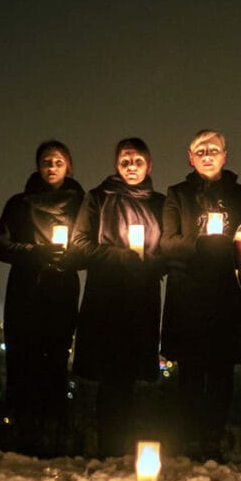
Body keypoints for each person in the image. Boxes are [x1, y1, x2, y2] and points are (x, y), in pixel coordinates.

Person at [70, 137, 166, 458]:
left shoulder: (159, 203)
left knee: (129, 379)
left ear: (149, 165)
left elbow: (168, 251)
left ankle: (121, 446)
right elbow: (80, 245)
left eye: (138, 161)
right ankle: (105, 447)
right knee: (109, 377)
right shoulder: (98, 198)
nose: (131, 167)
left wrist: (152, 262)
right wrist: (120, 256)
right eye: (125, 161)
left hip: (142, 299)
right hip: (106, 299)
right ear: (116, 165)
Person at [160, 130, 241, 463]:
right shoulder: (177, 194)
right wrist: (199, 243)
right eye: (201, 150)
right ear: (190, 156)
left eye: (214, 149)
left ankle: (212, 440)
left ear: (225, 155)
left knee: (221, 373)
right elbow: (166, 242)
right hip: (188, 295)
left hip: (228, 294)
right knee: (190, 372)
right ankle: (189, 441)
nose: (208, 154)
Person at [0, 140, 84, 456]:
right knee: (23, 362)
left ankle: (55, 436)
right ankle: (23, 436)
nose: (52, 166)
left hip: (60, 292)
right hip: (25, 292)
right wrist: (34, 253)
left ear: (68, 165)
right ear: (37, 165)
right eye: (46, 161)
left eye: (58, 161)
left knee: (56, 362)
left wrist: (67, 258)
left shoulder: (82, 204)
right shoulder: (19, 204)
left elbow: (90, 249)